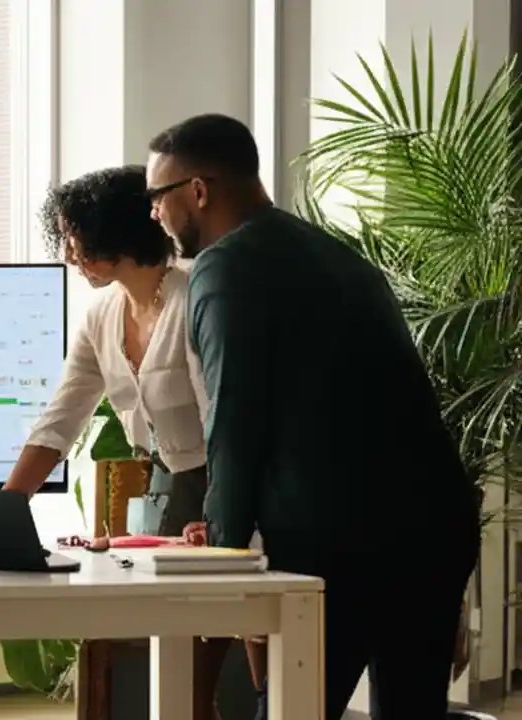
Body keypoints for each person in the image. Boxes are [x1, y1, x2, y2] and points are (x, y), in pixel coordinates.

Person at [146, 113, 479, 719]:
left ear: (197, 190)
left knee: (295, 711)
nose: (154, 214)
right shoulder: (332, 255)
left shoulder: (225, 267)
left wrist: (225, 561)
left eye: (157, 197)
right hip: (433, 527)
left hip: (339, 542)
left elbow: (234, 420)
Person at [3, 165, 239, 719]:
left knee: (212, 652)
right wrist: (6, 508)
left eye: (75, 236)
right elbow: (60, 422)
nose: (67, 252)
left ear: (115, 233)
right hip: (162, 485)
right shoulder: (101, 316)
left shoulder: (194, 297)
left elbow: (224, 417)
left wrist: (226, 510)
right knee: (170, 650)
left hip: (221, 481)